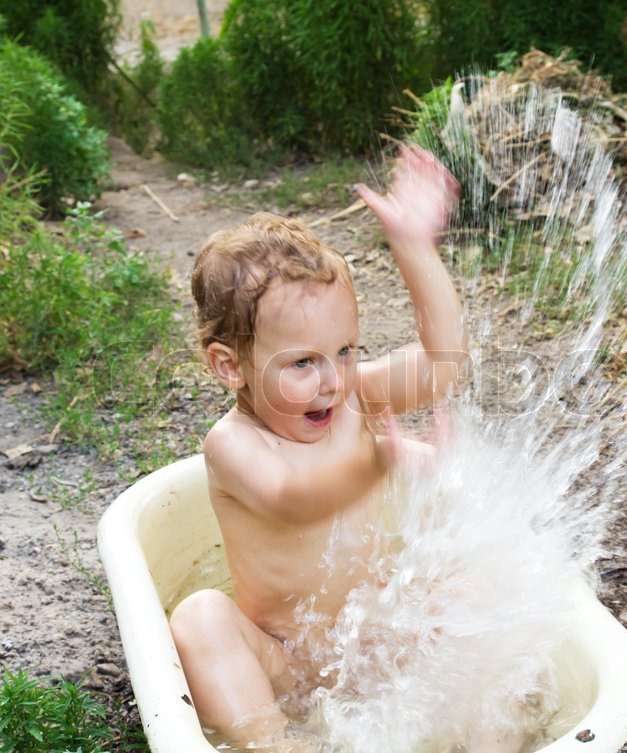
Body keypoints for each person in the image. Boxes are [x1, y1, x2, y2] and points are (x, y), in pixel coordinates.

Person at [169, 145, 468, 751]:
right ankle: (272, 743)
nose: (332, 378)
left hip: (379, 640)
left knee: (469, 590)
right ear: (230, 367)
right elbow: (293, 500)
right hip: (285, 665)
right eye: (303, 361)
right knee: (200, 617)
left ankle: (489, 727)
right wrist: (380, 460)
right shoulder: (233, 444)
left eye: (346, 349)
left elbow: (443, 363)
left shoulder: (352, 397)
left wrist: (414, 248)